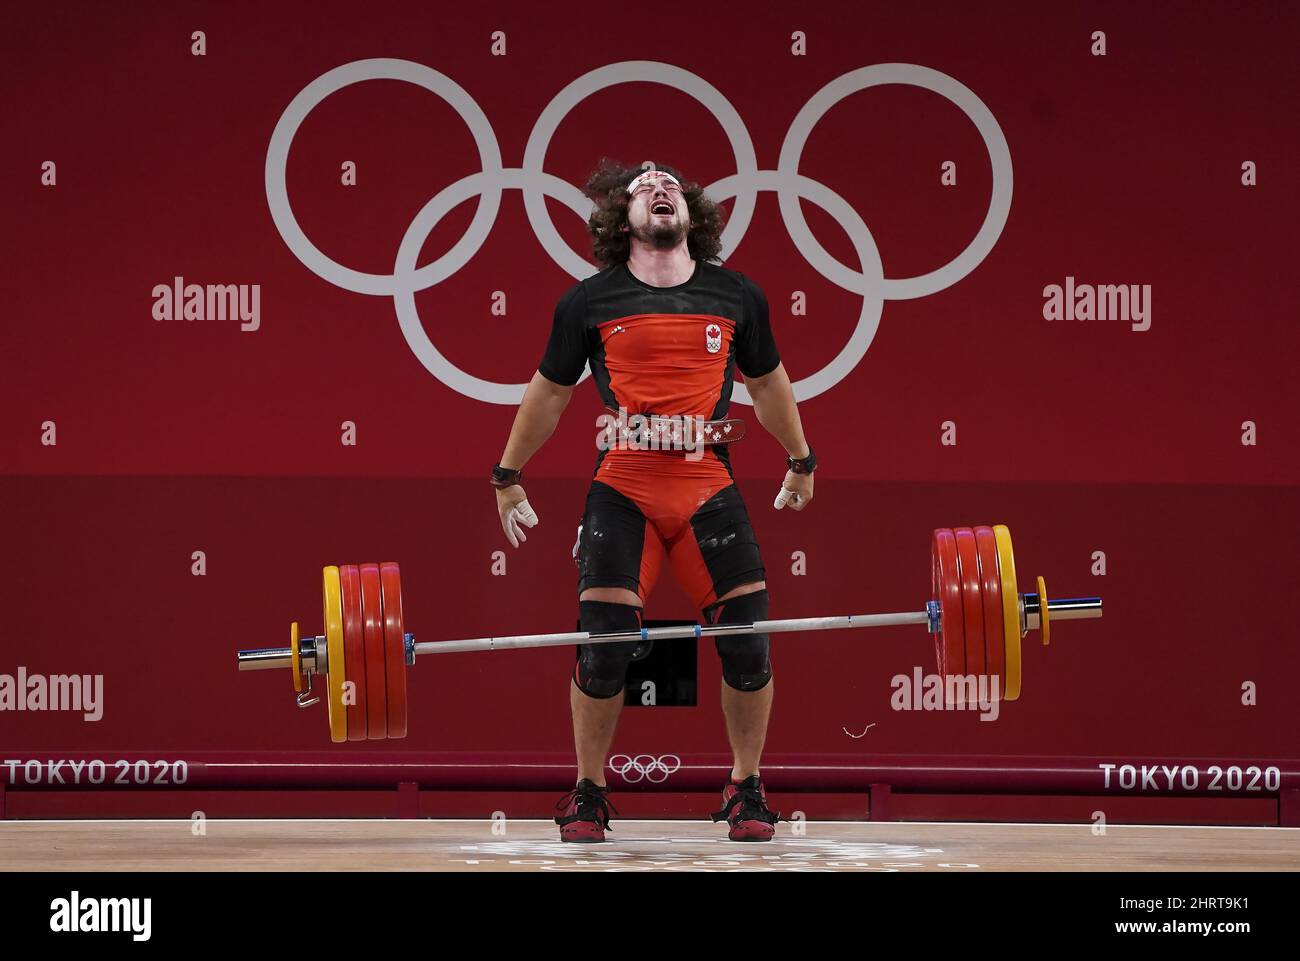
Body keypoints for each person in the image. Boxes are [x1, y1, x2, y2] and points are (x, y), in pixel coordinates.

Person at [490, 158, 816, 842]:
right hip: (625, 489)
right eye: (644, 189)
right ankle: (588, 790)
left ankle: (745, 786)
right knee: (604, 647)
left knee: (748, 641)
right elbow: (549, 393)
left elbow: (768, 384)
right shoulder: (588, 301)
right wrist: (507, 473)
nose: (660, 190)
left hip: (708, 488)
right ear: (622, 221)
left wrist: (800, 458)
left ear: (692, 215)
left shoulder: (737, 295)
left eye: (672, 186)